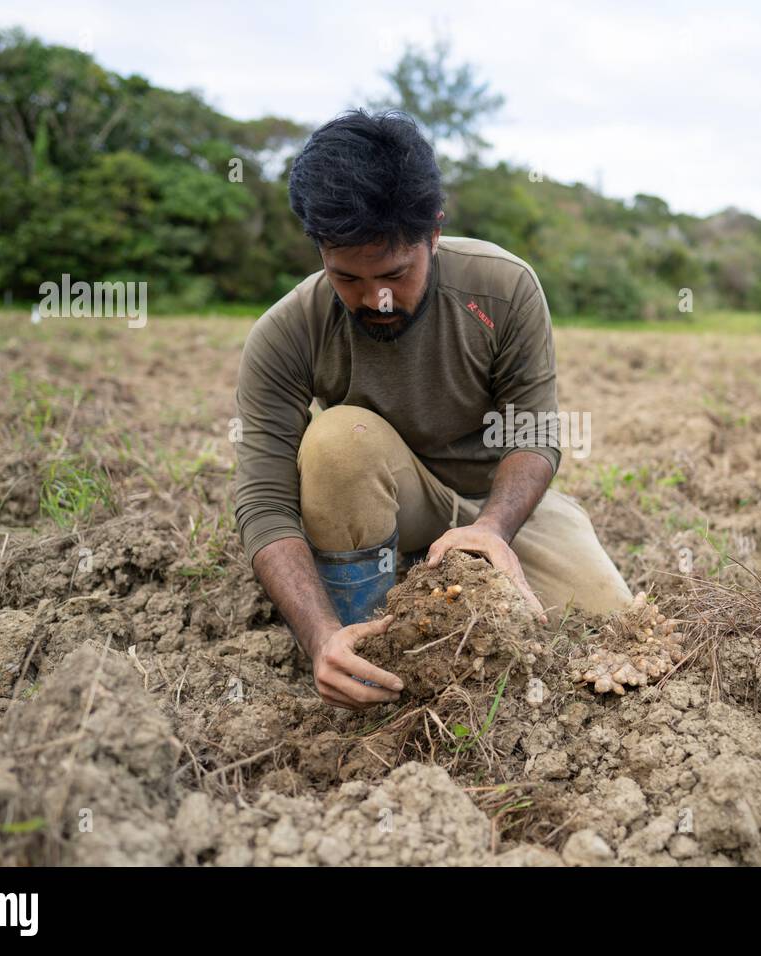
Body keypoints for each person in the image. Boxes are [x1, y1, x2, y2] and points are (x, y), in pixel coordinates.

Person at [232, 109, 633, 710]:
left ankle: (454, 557)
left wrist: (492, 530)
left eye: (395, 272)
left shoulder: (503, 290)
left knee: (609, 627)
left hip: (488, 504)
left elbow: (533, 435)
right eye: (348, 279)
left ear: (435, 233)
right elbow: (264, 503)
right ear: (320, 249)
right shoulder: (286, 333)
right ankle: (367, 636)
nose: (377, 298)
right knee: (338, 439)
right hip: (381, 500)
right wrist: (318, 636)